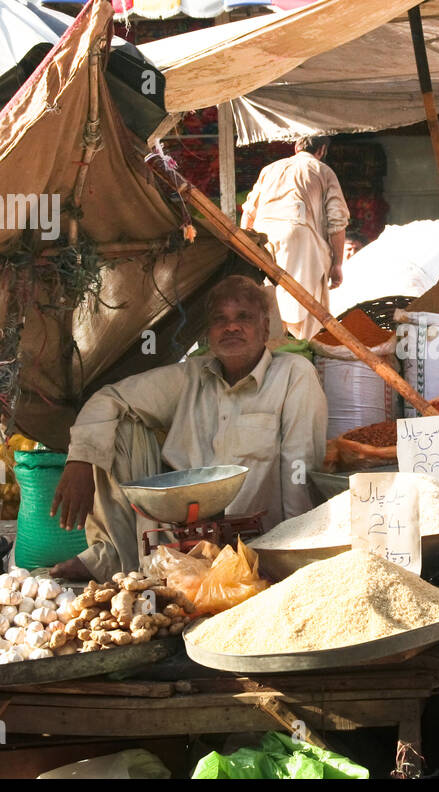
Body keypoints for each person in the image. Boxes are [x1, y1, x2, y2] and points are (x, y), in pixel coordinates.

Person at [49, 275, 328, 582]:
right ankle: (115, 557)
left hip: (255, 541)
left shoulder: (293, 374)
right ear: (208, 333)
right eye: (220, 319)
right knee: (117, 427)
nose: (231, 327)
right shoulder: (191, 377)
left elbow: (299, 470)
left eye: (244, 318)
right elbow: (109, 398)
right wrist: (81, 461)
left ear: (265, 328)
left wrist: (293, 559)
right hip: (180, 529)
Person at [240, 135, 351, 341]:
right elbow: (337, 221)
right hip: (300, 241)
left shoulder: (270, 169)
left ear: (296, 147)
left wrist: (245, 251)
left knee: (267, 304)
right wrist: (337, 264)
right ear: (322, 150)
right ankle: (300, 354)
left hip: (264, 238)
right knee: (305, 311)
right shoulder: (322, 170)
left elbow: (248, 214)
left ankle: (271, 349)